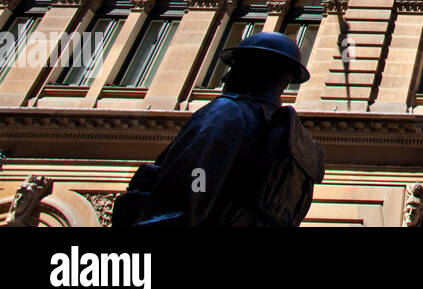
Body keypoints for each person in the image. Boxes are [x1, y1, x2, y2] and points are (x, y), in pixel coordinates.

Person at [113, 32, 325, 227]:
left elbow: (189, 196)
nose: (225, 78)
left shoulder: (226, 113)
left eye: (235, 67)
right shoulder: (296, 143)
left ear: (252, 70)